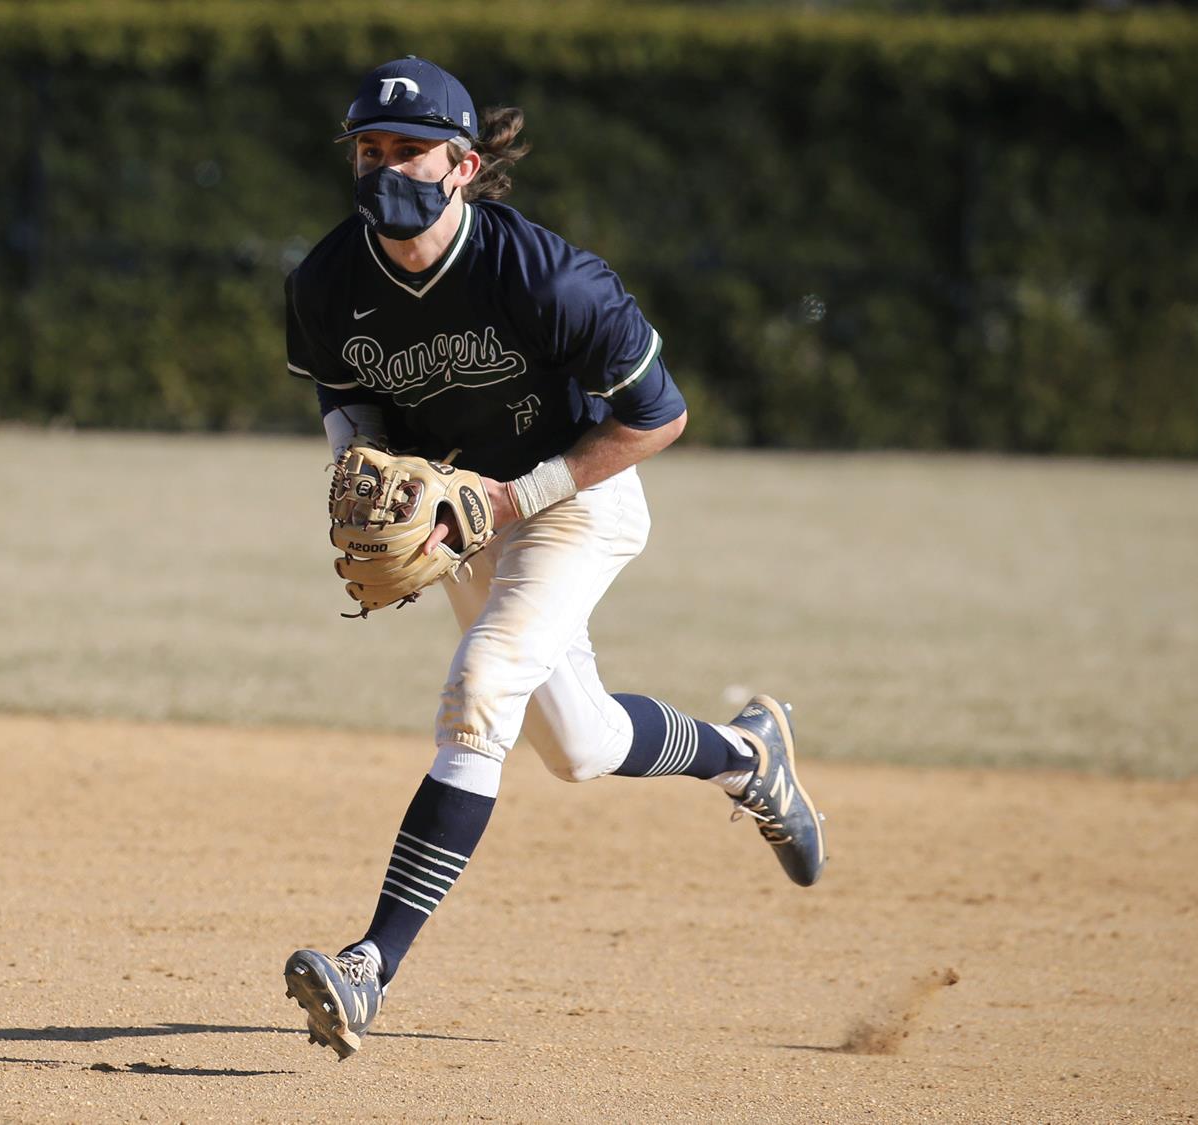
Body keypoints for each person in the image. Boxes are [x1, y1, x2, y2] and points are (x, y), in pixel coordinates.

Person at [280, 56, 827, 1060]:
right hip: (459, 514)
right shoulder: (325, 279)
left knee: (478, 690)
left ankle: (369, 967)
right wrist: (359, 476)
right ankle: (749, 758)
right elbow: (339, 391)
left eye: (410, 151)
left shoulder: (545, 276)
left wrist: (513, 496)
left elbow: (657, 419)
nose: (385, 167)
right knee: (575, 748)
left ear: (463, 165)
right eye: (369, 149)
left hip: (572, 498)